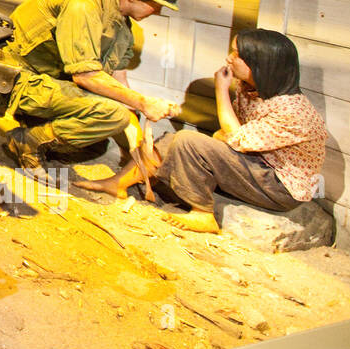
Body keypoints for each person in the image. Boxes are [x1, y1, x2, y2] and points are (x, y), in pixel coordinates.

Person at [75, 29, 328, 233]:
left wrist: (221, 90)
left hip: (279, 186)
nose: (229, 58)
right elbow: (235, 132)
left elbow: (236, 137)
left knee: (187, 142)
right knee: (171, 140)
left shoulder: (291, 111)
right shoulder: (251, 88)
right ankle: (117, 183)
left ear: (260, 65)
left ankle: (203, 214)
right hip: (256, 163)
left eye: (237, 55)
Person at [0, 0, 184, 169]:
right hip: (14, 79)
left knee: (96, 141)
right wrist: (144, 103)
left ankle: (36, 131)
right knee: (113, 116)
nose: (159, 11)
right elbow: (86, 76)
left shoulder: (123, 29)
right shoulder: (83, 5)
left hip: (49, 82)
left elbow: (119, 82)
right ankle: (25, 141)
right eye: (158, 3)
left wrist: (138, 142)